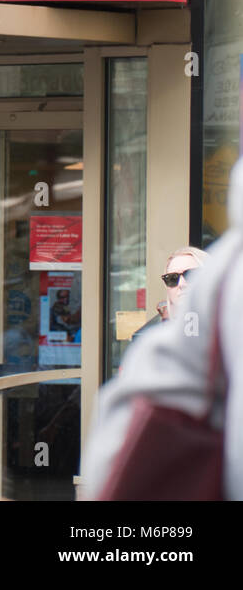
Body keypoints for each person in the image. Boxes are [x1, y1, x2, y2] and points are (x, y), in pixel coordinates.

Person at [82, 164, 243, 499]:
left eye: (192, 276)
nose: (182, 284)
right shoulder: (149, 341)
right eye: (172, 278)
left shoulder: (225, 319)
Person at [129, 246, 209, 342]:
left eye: (190, 274)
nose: (181, 284)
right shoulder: (150, 337)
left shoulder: (228, 326)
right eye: (172, 279)